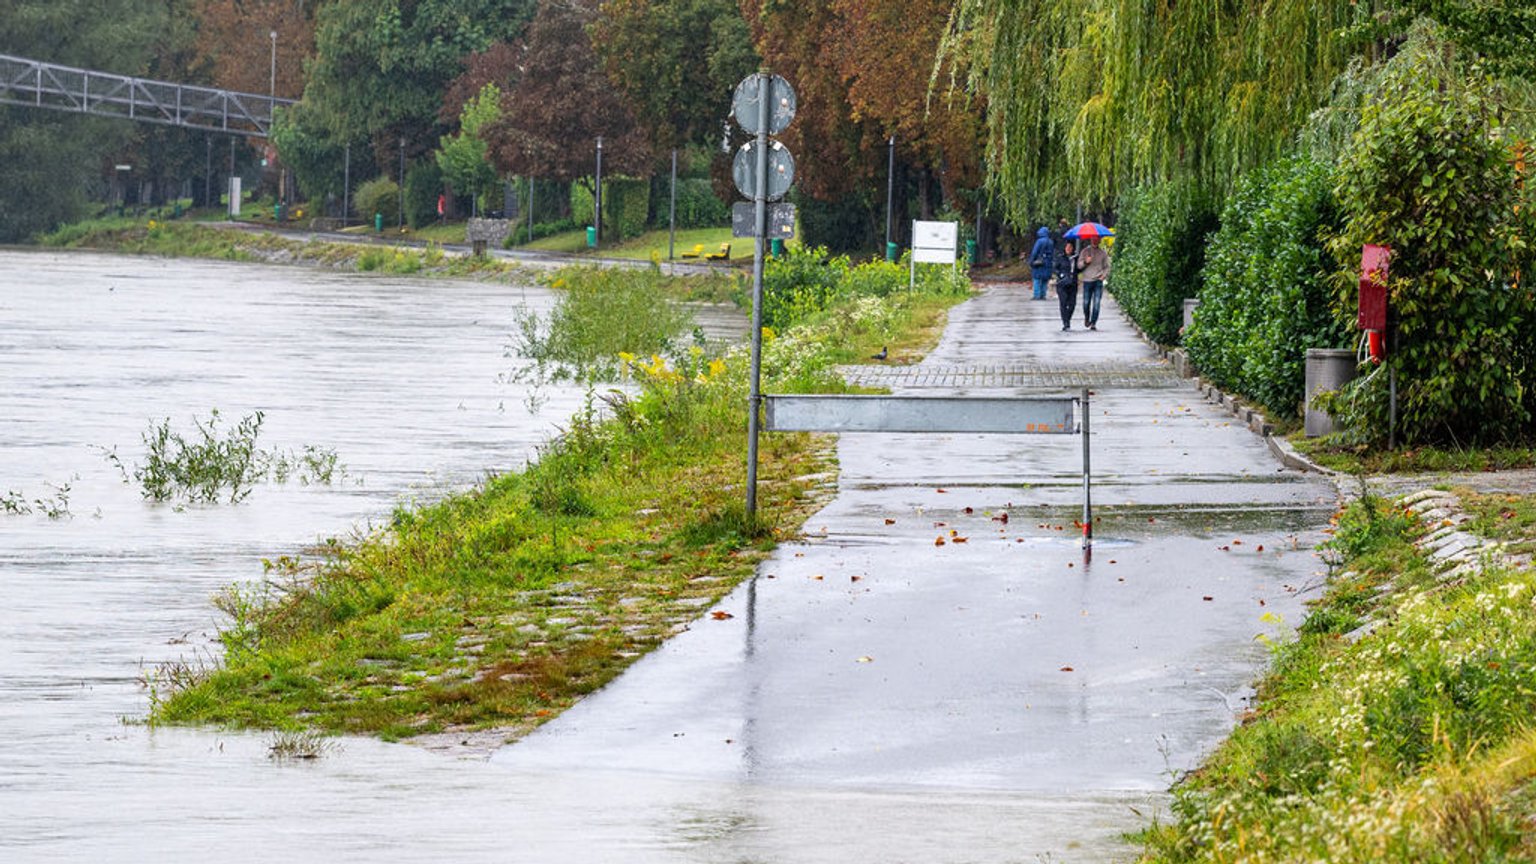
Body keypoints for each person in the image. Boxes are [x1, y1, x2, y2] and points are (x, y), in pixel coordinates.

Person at [1077, 237, 1110, 330]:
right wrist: (1085, 262)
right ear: (1090, 240)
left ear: (1099, 240)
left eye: (1097, 239)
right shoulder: (1085, 251)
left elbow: (1107, 267)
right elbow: (1079, 266)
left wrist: (1103, 276)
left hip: (1098, 281)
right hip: (1087, 280)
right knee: (1086, 303)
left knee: (1097, 303)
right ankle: (1087, 318)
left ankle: (1093, 322)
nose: (1095, 241)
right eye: (1093, 239)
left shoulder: (1103, 253)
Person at [1053, 239, 1078, 331]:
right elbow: (1055, 268)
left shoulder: (1076, 258)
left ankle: (1068, 319)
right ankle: (1065, 323)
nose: (1068, 249)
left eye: (1070, 247)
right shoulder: (1060, 257)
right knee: (1063, 303)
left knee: (1072, 304)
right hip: (1062, 284)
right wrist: (1060, 274)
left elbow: (1079, 269)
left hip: (1073, 283)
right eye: (1067, 247)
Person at [1027, 227, 1054, 300]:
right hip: (1048, 263)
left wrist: (1031, 261)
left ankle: (1037, 295)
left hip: (1039, 263)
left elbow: (1034, 252)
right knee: (1045, 279)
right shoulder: (1051, 242)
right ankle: (1043, 295)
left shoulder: (1039, 241)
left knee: (1037, 279)